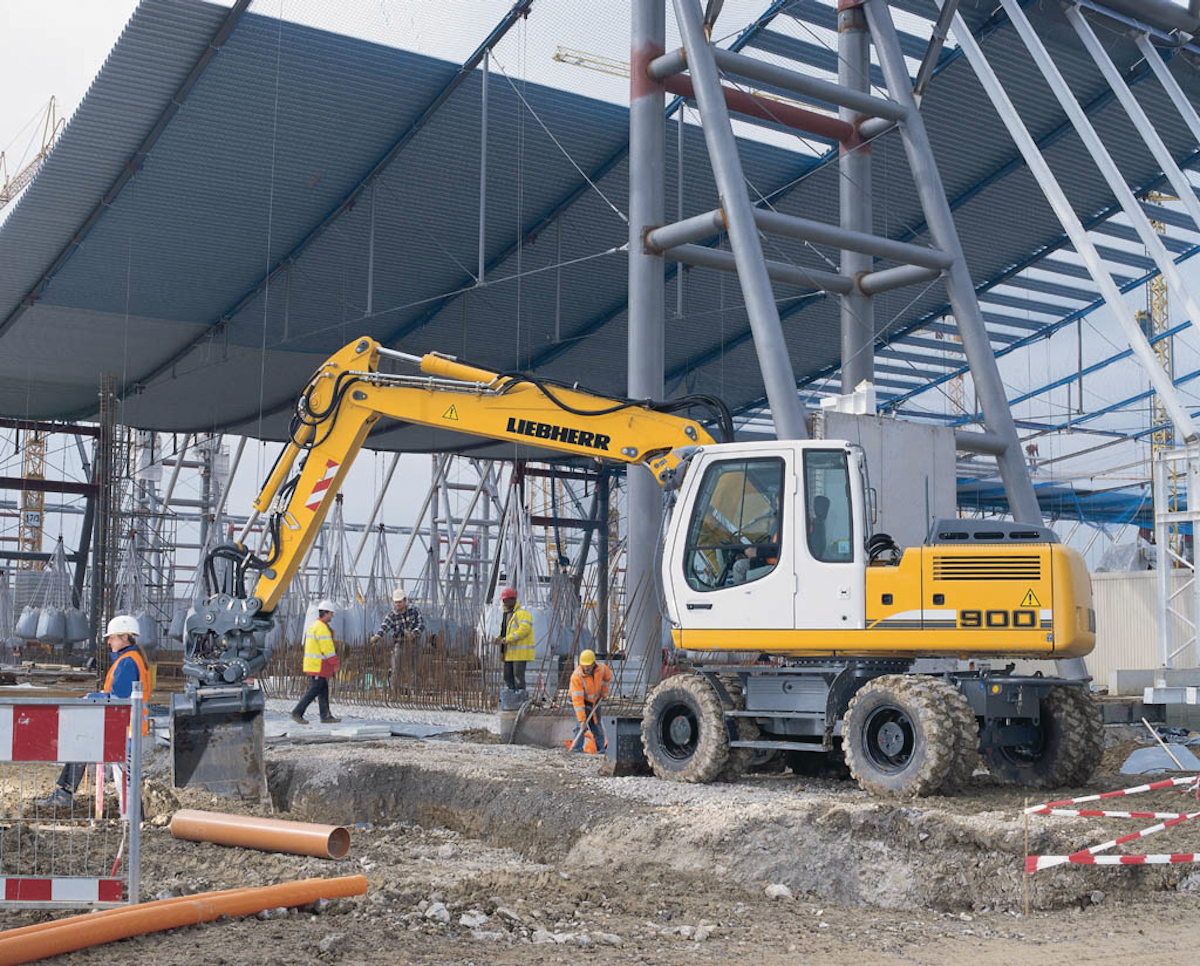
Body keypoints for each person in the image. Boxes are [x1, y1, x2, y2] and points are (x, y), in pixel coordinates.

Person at [40, 614, 149, 809]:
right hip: (126, 728)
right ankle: (65, 792)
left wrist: (90, 699)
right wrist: (94, 695)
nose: (108, 642)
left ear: (125, 637)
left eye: (112, 637)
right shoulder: (130, 660)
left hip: (124, 729)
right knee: (121, 777)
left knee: (125, 781)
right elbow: (116, 694)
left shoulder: (126, 663)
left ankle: (134, 823)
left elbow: (118, 699)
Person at [291, 599, 342, 724]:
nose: (332, 616)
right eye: (331, 613)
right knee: (315, 689)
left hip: (315, 664)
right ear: (326, 613)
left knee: (323, 689)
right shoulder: (322, 629)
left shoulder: (314, 626)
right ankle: (297, 712)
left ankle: (325, 715)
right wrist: (335, 664)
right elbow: (328, 650)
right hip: (318, 665)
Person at [370, 587, 426, 687]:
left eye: (399, 602)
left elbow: (421, 625)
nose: (397, 604)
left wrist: (413, 633)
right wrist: (377, 637)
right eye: (396, 602)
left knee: (415, 668)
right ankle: (394, 691)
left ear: (405, 600)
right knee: (396, 667)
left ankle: (415, 690)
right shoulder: (392, 615)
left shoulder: (414, 611)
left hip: (414, 642)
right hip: (399, 643)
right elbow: (384, 627)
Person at [569, 649, 612, 753]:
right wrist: (582, 719)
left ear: (594, 663)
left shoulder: (602, 669)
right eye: (584, 665)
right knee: (580, 727)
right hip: (581, 702)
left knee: (596, 726)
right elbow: (578, 701)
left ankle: (601, 750)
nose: (586, 667)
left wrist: (604, 692)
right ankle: (576, 750)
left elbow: (607, 678)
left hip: (595, 701)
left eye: (588, 665)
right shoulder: (577, 677)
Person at [496, 587, 534, 694]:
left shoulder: (522, 614)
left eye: (506, 600)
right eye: (503, 600)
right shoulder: (506, 615)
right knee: (508, 676)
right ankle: (511, 696)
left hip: (520, 654)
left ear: (513, 600)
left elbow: (524, 630)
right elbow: (505, 632)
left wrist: (508, 639)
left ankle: (520, 697)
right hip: (509, 653)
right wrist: (499, 639)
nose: (504, 603)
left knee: (518, 677)